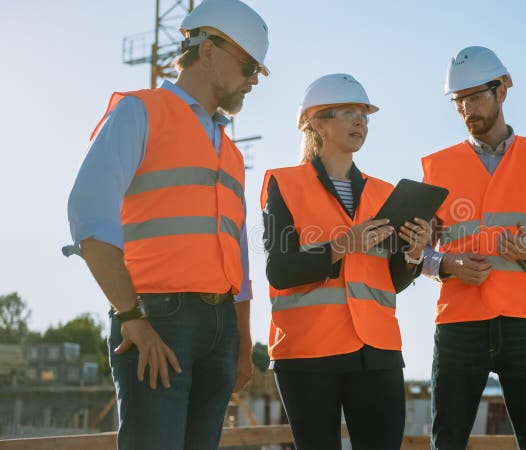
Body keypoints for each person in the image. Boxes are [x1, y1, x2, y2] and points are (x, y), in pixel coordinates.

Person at [63, 1, 270, 448]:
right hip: (158, 319)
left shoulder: (229, 151)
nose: (254, 80)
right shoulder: (141, 112)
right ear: (209, 51)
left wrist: (242, 338)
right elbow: (88, 212)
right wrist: (131, 316)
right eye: (249, 65)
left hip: (220, 329)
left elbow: (239, 255)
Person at [260, 73, 432, 450]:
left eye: (365, 115)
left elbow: (389, 281)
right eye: (348, 113)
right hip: (308, 354)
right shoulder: (284, 184)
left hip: (378, 352)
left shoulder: (385, 193)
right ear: (317, 123)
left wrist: (414, 255)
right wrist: (340, 246)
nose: (360, 121)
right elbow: (280, 269)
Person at [421, 46, 526, 450]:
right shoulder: (437, 168)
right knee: (447, 442)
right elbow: (416, 253)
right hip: (459, 324)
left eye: (475, 97)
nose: (466, 109)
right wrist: (447, 264)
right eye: (459, 101)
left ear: (502, 91)